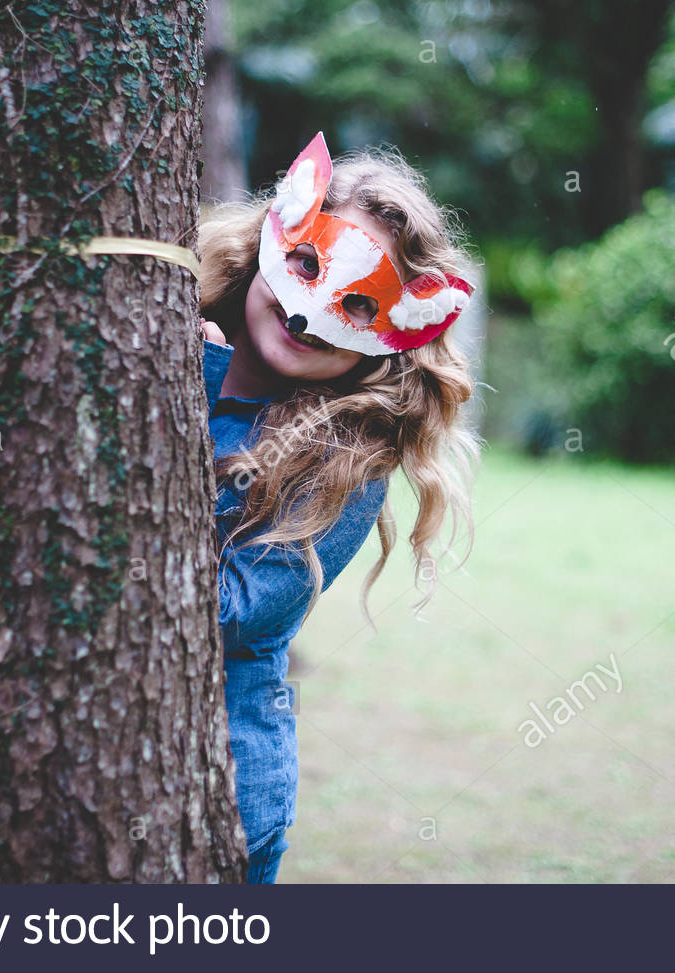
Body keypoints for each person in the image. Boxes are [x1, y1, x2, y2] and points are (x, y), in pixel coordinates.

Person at [195, 131, 481, 883]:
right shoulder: (166, 330)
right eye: (305, 264)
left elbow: (228, 612)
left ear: (400, 328)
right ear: (276, 232)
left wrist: (190, 381)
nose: (310, 312)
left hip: (221, 801)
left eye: (358, 302)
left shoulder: (347, 465)